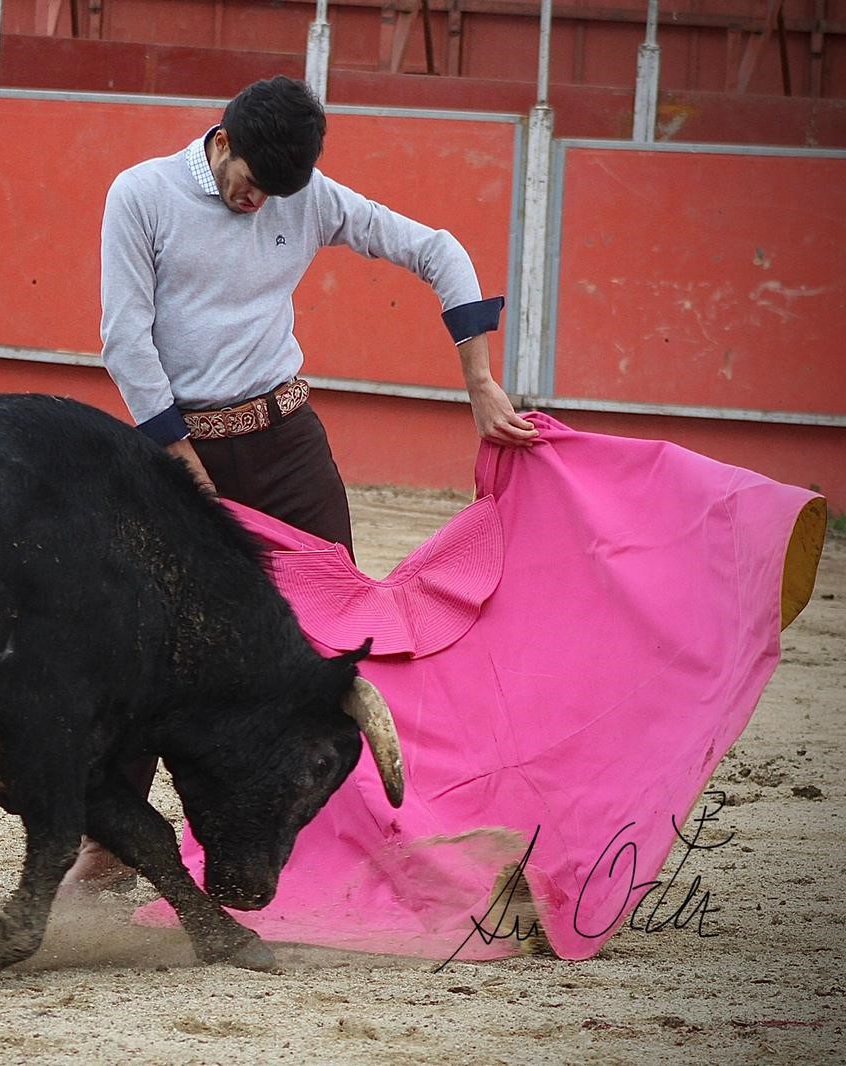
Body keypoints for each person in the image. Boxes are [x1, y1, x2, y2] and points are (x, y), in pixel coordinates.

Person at [63, 75, 538, 893]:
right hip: (174, 453)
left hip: (287, 451)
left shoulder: (306, 197)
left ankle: (343, 835)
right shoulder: (141, 195)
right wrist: (183, 468)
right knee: (152, 645)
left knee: (335, 637)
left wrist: (480, 382)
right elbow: (125, 339)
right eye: (250, 184)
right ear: (222, 141)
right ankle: (111, 847)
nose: (258, 206)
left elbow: (439, 249)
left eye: (276, 195)